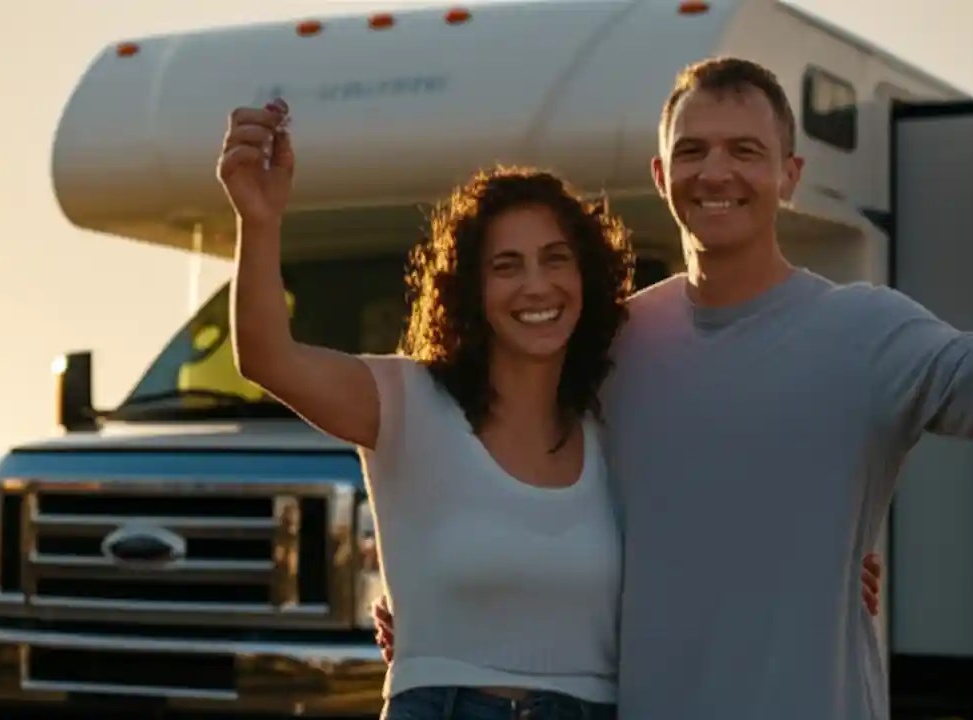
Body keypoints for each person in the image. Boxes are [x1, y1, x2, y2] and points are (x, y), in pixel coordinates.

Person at [374, 57, 973, 719]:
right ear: (662, 176)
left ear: (789, 174)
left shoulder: (868, 332)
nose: (715, 172)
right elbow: (513, 477)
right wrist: (442, 607)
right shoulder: (607, 345)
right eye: (692, 150)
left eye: (745, 151)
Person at [217, 94, 884, 720]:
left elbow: (713, 538)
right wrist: (259, 217)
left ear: (585, 278)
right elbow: (267, 356)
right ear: (471, 291)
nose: (536, 285)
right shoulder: (406, 400)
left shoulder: (617, 422)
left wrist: (823, 561)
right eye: (506, 265)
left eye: (555, 259)